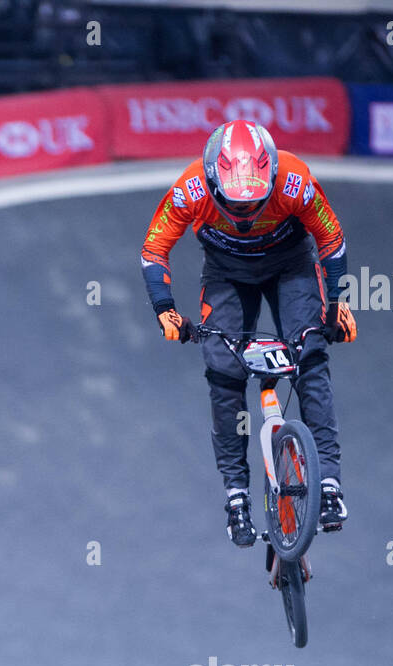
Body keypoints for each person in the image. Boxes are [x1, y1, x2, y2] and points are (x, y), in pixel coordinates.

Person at [140, 119, 357, 547]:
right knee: (224, 374)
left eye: (253, 204)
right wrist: (165, 309)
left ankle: (329, 484)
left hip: (290, 267)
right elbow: (154, 248)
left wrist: (337, 306)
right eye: (234, 206)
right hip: (226, 274)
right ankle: (236, 495)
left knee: (310, 358)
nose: (244, 215)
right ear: (212, 183)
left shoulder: (296, 179)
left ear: (272, 178)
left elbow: (332, 242)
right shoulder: (190, 188)